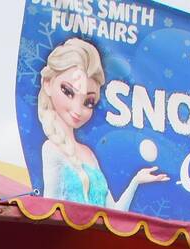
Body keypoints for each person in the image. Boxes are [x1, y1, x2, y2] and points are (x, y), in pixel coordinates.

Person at [38, 38, 168, 209]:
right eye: (68, 92)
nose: (77, 109)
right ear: (48, 84)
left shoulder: (89, 154)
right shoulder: (51, 148)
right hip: (66, 234)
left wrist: (135, 182)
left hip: (97, 235)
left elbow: (114, 213)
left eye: (88, 102)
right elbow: (49, 209)